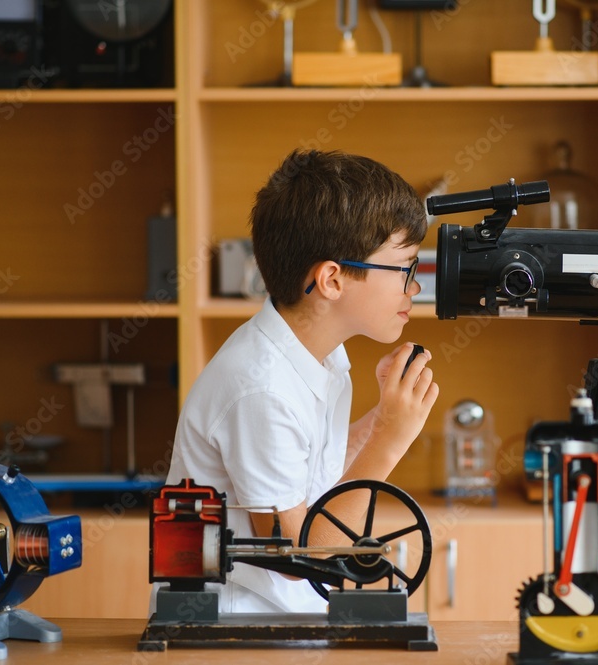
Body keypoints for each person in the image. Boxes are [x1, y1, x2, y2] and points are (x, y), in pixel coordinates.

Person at [165, 149, 440, 613]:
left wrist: (380, 421)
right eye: (405, 268)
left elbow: (311, 471)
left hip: (290, 619)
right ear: (332, 280)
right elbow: (300, 555)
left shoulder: (322, 354)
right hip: (232, 634)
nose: (414, 287)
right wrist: (389, 442)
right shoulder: (260, 388)